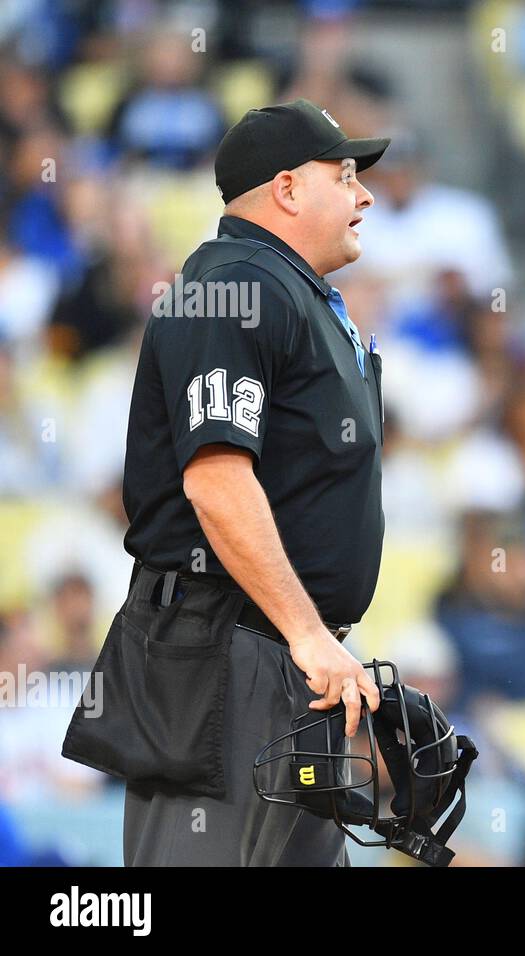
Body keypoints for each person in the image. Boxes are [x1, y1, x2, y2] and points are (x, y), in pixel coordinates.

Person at [63, 99, 391, 866]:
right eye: (344, 175)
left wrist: (313, 641)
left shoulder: (290, 293)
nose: (365, 194)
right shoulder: (231, 288)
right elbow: (216, 478)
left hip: (286, 659)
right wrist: (309, 634)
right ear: (286, 189)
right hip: (223, 654)